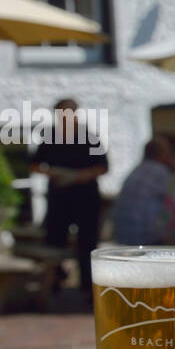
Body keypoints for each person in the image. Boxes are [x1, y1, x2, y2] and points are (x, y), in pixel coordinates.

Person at [32, 98, 108, 290]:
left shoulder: (89, 137)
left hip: (86, 198)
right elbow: (34, 164)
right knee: (55, 241)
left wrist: (83, 175)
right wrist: (55, 173)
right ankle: (54, 284)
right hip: (59, 199)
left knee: (88, 244)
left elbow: (103, 166)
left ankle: (88, 288)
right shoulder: (51, 138)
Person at [111, 136, 173, 245]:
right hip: (146, 238)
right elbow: (173, 205)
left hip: (121, 235)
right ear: (162, 154)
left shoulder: (135, 170)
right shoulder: (161, 172)